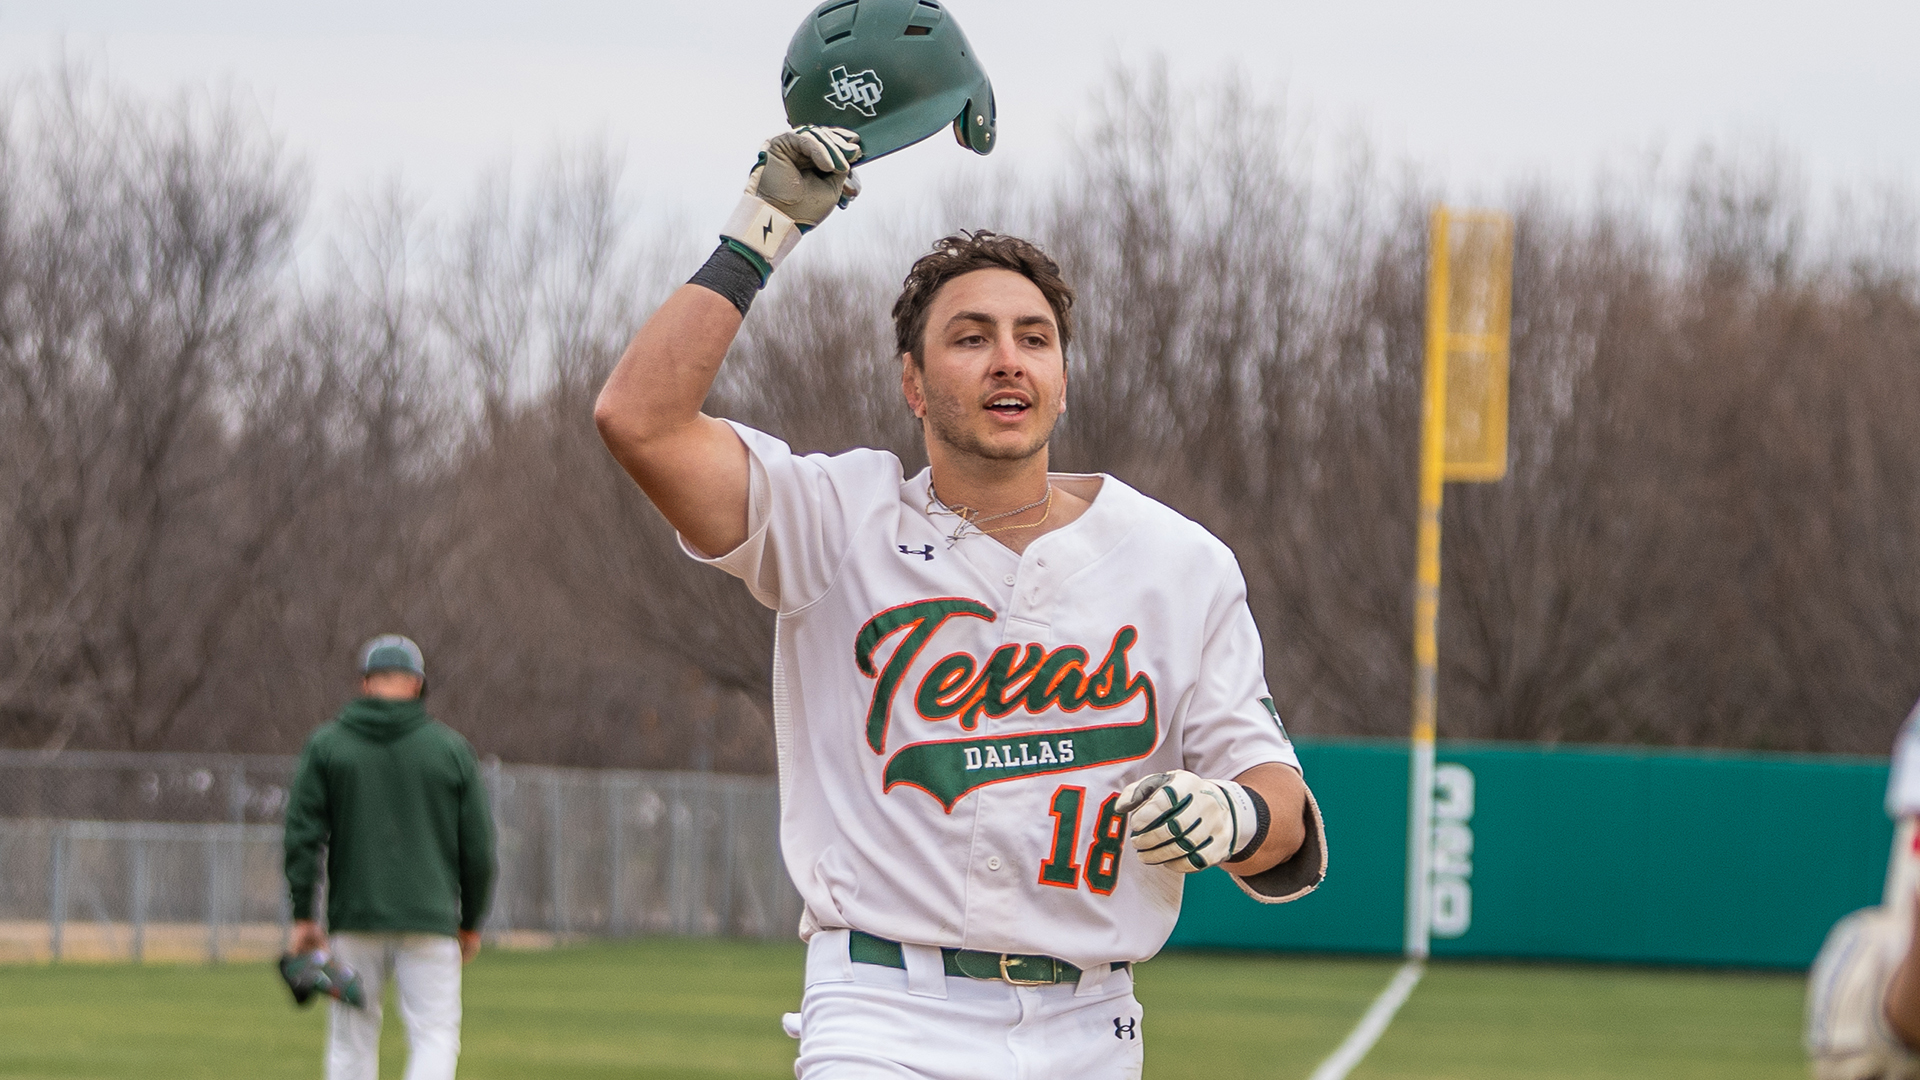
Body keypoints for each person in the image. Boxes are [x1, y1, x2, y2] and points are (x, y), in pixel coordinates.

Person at [594, 125, 1326, 1078]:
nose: (1007, 361)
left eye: (1034, 339)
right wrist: (758, 233)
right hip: (882, 1009)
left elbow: (1283, 810)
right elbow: (638, 421)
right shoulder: (835, 523)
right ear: (913, 382)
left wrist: (1230, 815)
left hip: (1089, 1024)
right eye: (969, 338)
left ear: (1063, 379)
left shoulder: (1178, 562)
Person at [284, 635, 497, 1080]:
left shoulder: (327, 745)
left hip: (354, 919)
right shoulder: (451, 750)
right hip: (431, 921)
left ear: (365, 684)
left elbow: (303, 836)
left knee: (351, 1042)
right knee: (434, 1035)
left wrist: (304, 914)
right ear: (418, 685)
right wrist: (471, 921)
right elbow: (478, 850)